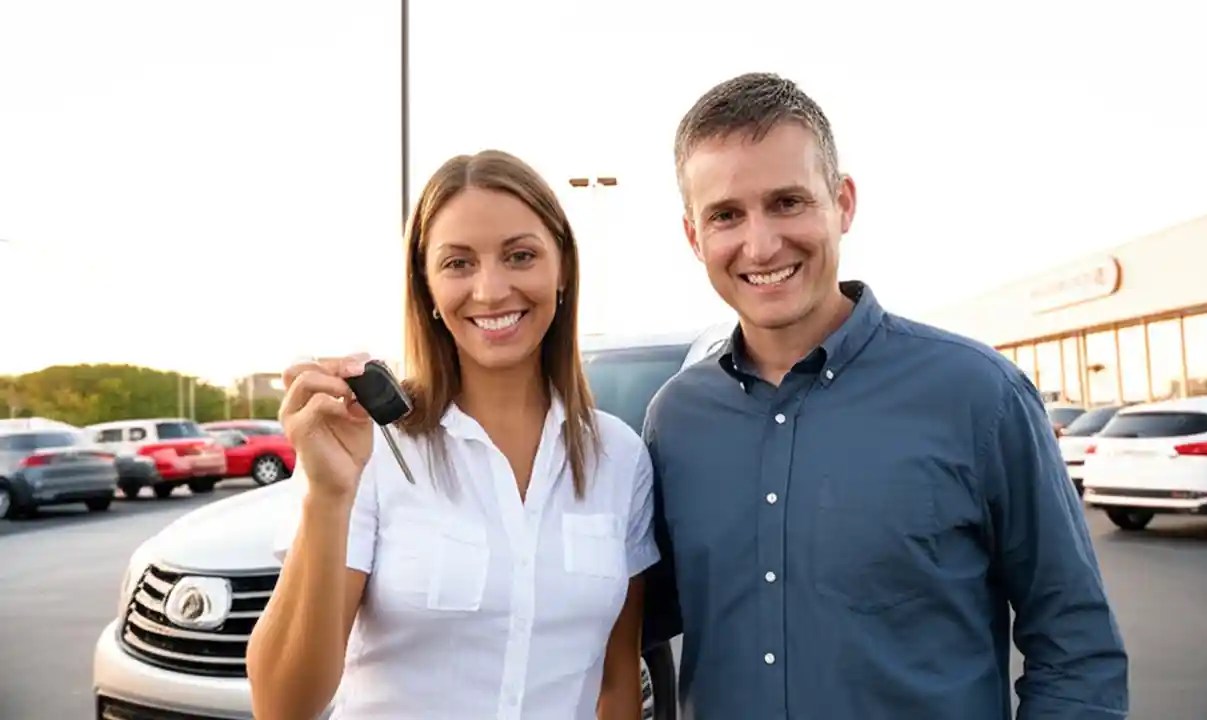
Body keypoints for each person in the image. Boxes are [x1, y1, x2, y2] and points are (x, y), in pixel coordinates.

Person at [640, 72, 1129, 719]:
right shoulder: (675, 423)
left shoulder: (979, 397)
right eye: (727, 215)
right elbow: (614, 623)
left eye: (788, 202)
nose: (760, 244)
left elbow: (1077, 646)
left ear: (842, 202)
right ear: (693, 236)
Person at [246, 150, 659, 720]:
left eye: (520, 256)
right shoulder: (371, 447)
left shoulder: (620, 457)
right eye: (459, 263)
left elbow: (617, 686)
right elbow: (282, 705)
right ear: (427, 287)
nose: (490, 290)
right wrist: (328, 497)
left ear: (561, 267)